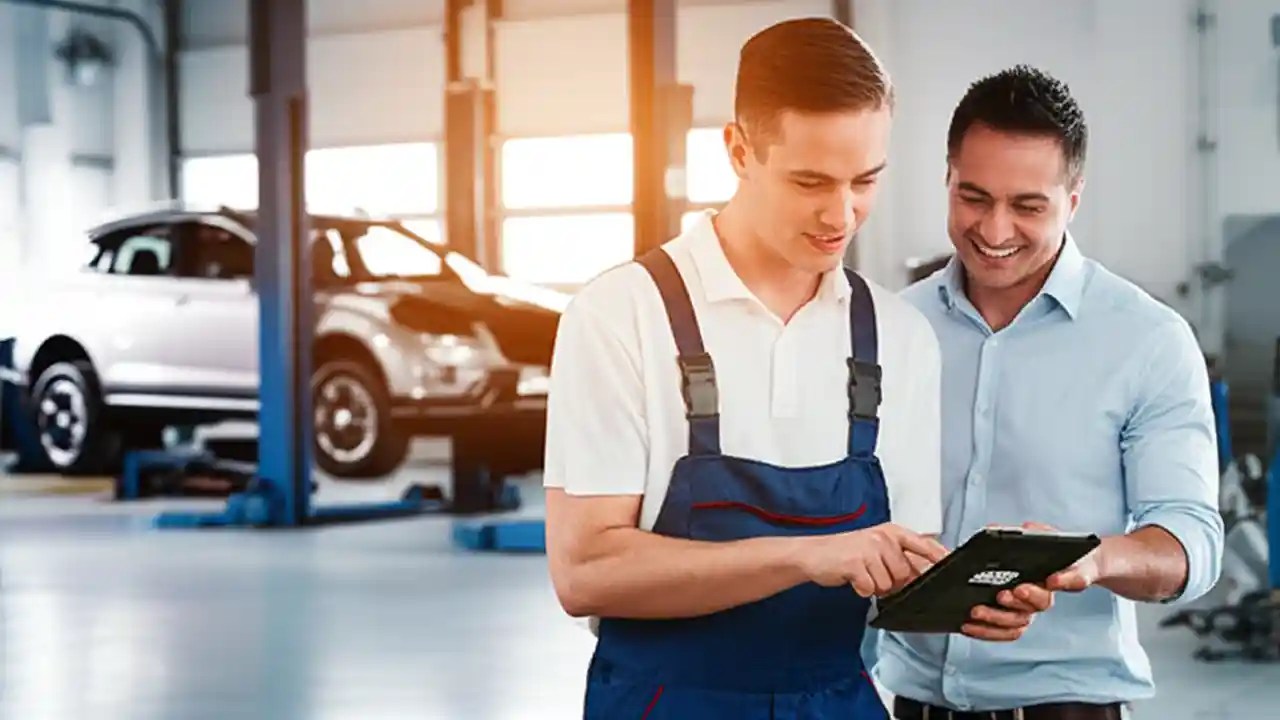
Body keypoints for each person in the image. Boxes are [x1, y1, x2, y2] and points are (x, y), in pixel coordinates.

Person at [542, 19, 1049, 719]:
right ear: (739, 150)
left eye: (865, 180)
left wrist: (967, 596)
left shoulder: (896, 337)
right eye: (810, 181)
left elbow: (896, 570)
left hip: (837, 702)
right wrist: (805, 556)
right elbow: (586, 572)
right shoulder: (622, 315)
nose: (840, 215)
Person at [876, 65, 1226, 720]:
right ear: (947, 180)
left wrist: (1087, 560)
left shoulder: (1147, 340)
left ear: (1074, 198)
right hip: (911, 704)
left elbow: (1191, 545)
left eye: (1028, 205)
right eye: (973, 197)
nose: (995, 229)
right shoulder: (891, 327)